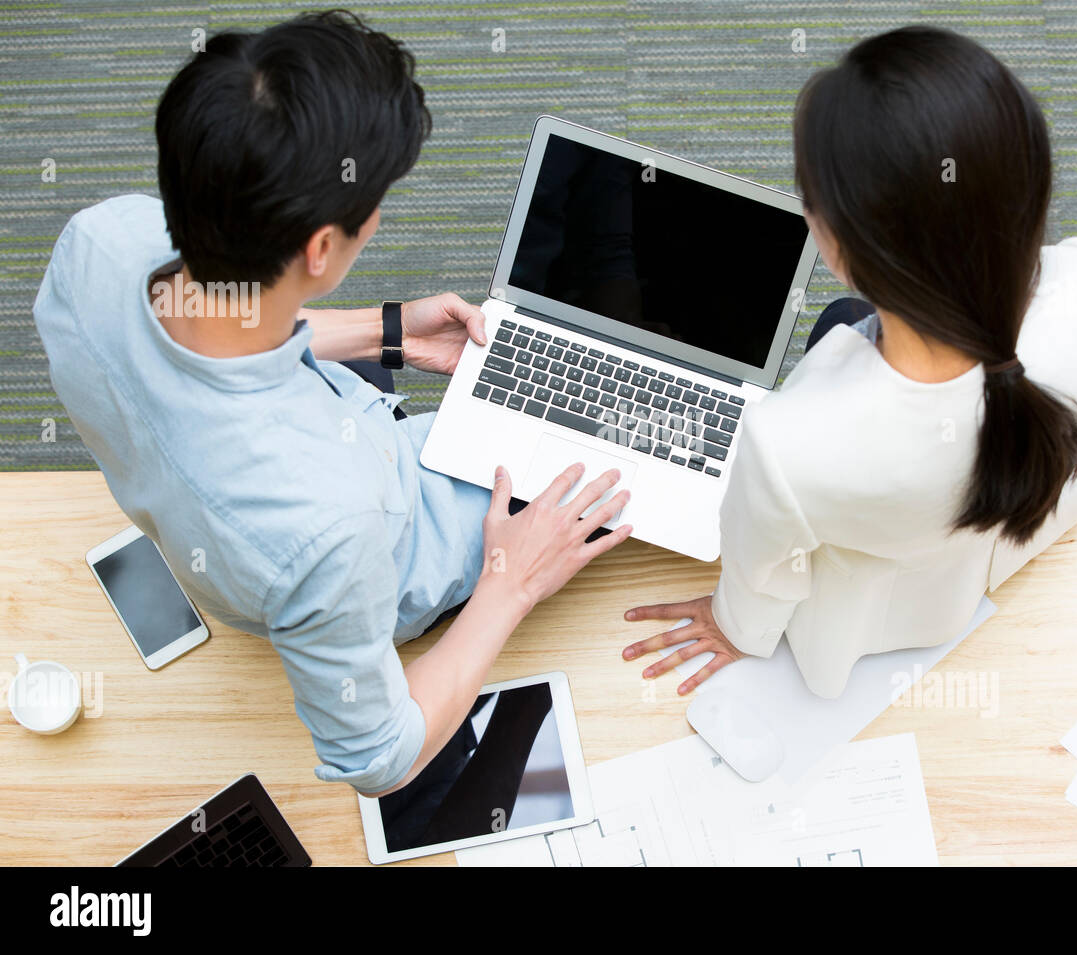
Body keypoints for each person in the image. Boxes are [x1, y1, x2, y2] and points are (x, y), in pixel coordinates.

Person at [33, 10, 631, 798]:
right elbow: (379, 758)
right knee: (607, 469)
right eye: (375, 199)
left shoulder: (99, 244)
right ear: (321, 248)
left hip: (236, 546)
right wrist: (510, 579)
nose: (378, 214)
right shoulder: (328, 528)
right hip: (368, 551)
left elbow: (218, 317)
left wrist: (387, 332)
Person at [623, 25, 1077, 699]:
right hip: (1033, 526)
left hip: (894, 612)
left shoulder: (788, 445)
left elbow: (766, 572)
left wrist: (736, 627)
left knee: (837, 325)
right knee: (845, 323)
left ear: (839, 248)